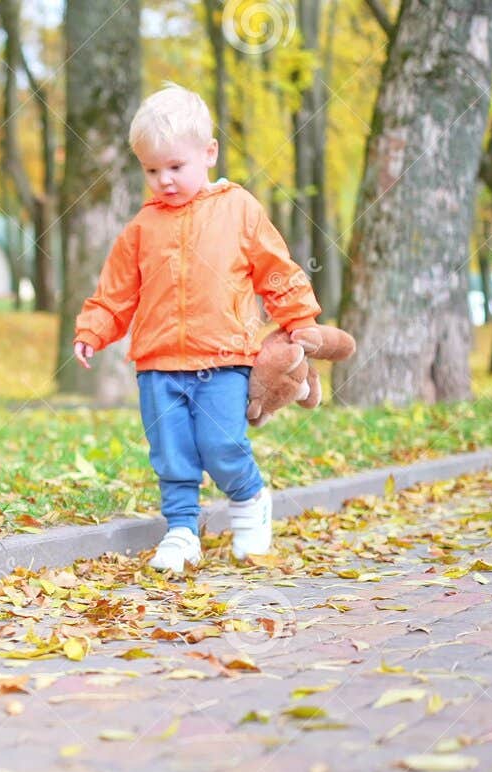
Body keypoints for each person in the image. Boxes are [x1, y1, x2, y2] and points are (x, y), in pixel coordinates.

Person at [72, 83, 321, 574]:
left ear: (209, 154)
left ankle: (250, 499)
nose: (163, 180)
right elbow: (116, 291)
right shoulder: (142, 228)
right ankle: (182, 529)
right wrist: (94, 329)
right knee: (172, 452)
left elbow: (276, 268)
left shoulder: (238, 209)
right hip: (157, 363)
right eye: (151, 170)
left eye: (175, 167)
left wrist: (299, 319)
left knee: (222, 444)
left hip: (224, 357)